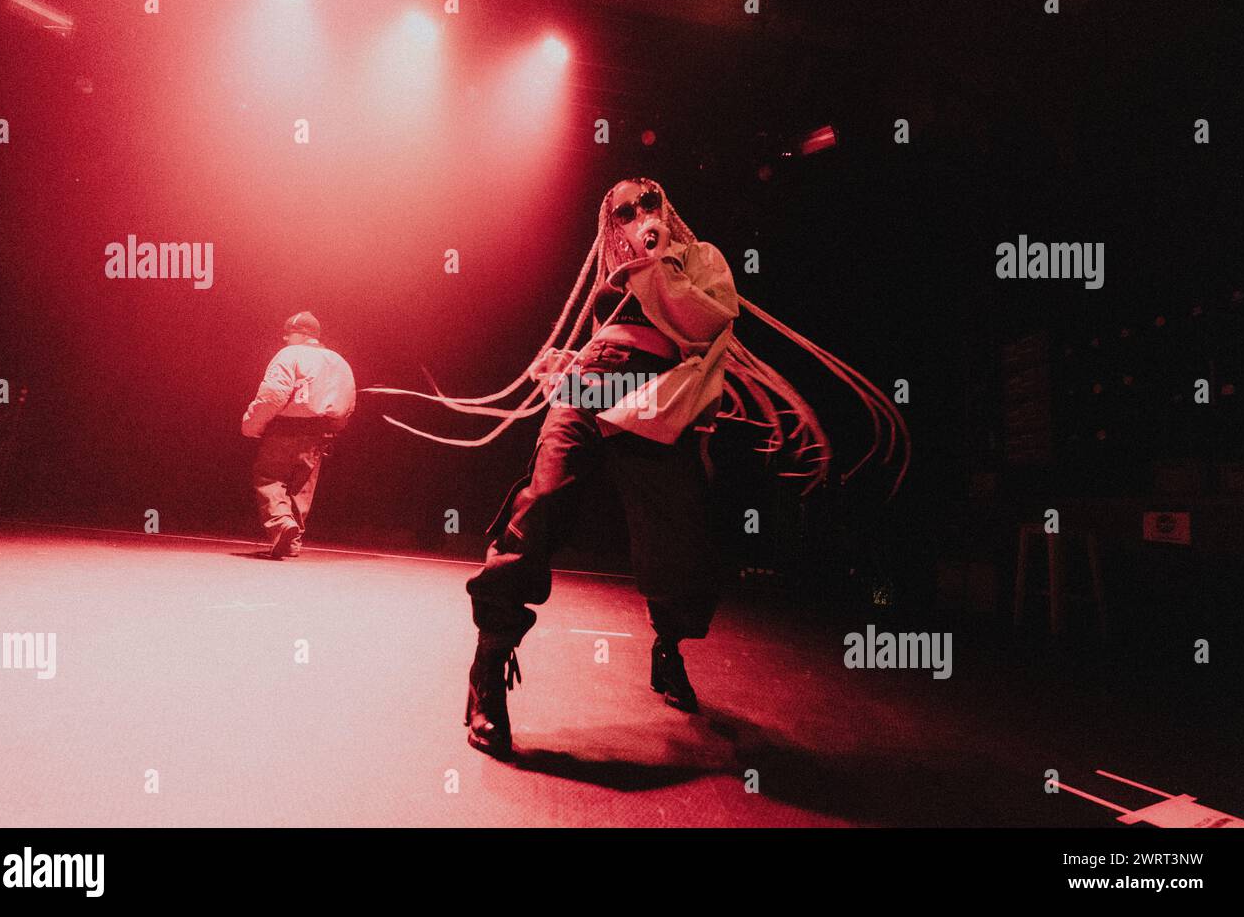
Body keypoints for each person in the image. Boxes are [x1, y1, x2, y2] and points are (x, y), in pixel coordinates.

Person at [366, 177, 910, 760]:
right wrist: (571, 360)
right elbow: (616, 338)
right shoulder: (610, 277)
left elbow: (705, 324)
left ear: (664, 208)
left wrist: (653, 266)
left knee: (681, 547)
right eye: (624, 209)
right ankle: (489, 667)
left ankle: (668, 646)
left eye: (647, 202)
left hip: (653, 400)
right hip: (589, 384)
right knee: (541, 502)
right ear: (611, 222)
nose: (638, 213)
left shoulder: (698, 259)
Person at [242, 311, 356, 559]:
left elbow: (273, 395)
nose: (284, 338)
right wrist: (332, 429)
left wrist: (252, 425)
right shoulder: (338, 361)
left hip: (285, 427)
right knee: (301, 487)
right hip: (318, 432)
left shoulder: (289, 355)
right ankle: (293, 542)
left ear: (300, 334)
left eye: (288, 333)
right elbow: (346, 403)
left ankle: (282, 523)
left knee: (269, 479)